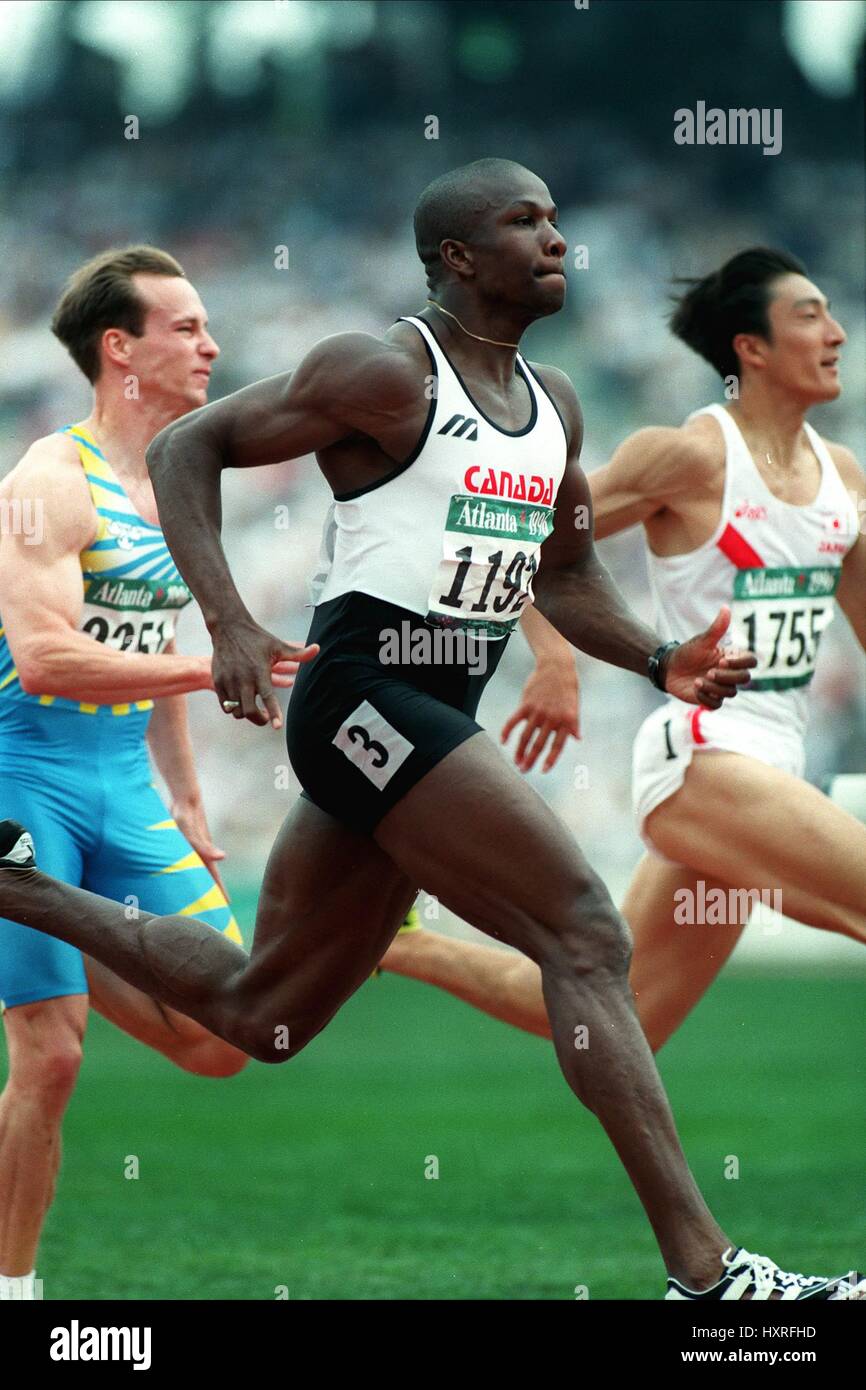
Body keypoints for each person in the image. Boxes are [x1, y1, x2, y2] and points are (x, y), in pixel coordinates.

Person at [1, 163, 861, 1299]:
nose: (555, 239)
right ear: (457, 256)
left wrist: (659, 660)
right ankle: (706, 1276)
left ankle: (14, 884)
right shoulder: (383, 370)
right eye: (524, 222)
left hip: (434, 707)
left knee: (260, 1017)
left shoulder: (555, 401)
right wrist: (234, 627)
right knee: (586, 936)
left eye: (557, 218)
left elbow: (564, 582)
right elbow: (183, 451)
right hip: (362, 695)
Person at [380, 246, 866, 1055]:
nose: (839, 333)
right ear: (751, 348)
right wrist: (554, 655)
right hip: (703, 759)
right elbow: (510, 535)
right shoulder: (688, 456)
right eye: (810, 316)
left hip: (775, 765)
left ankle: (403, 944)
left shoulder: (843, 478)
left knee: (613, 1011)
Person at [0, 246, 301, 1301]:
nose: (210, 343)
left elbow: (155, 634)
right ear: (119, 348)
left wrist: (181, 787)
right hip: (22, 777)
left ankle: (67, 941)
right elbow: (46, 657)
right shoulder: (47, 481)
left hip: (124, 780)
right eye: (185, 326)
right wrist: (219, 658)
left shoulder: (181, 479)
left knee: (233, 1030)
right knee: (53, 1057)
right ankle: (16, 1294)